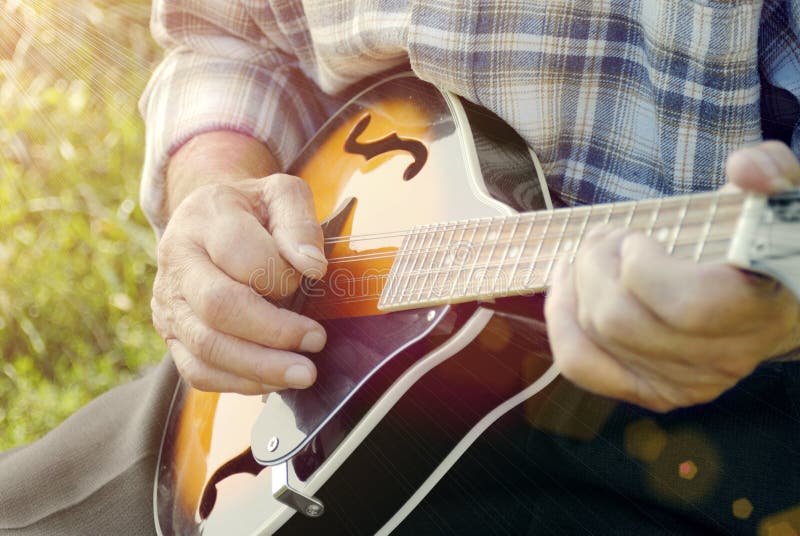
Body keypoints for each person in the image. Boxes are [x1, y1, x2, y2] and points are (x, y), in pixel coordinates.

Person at [2, 0, 799, 534]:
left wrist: (782, 309)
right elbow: (226, 37)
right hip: (298, 371)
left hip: (704, 433)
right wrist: (212, 189)